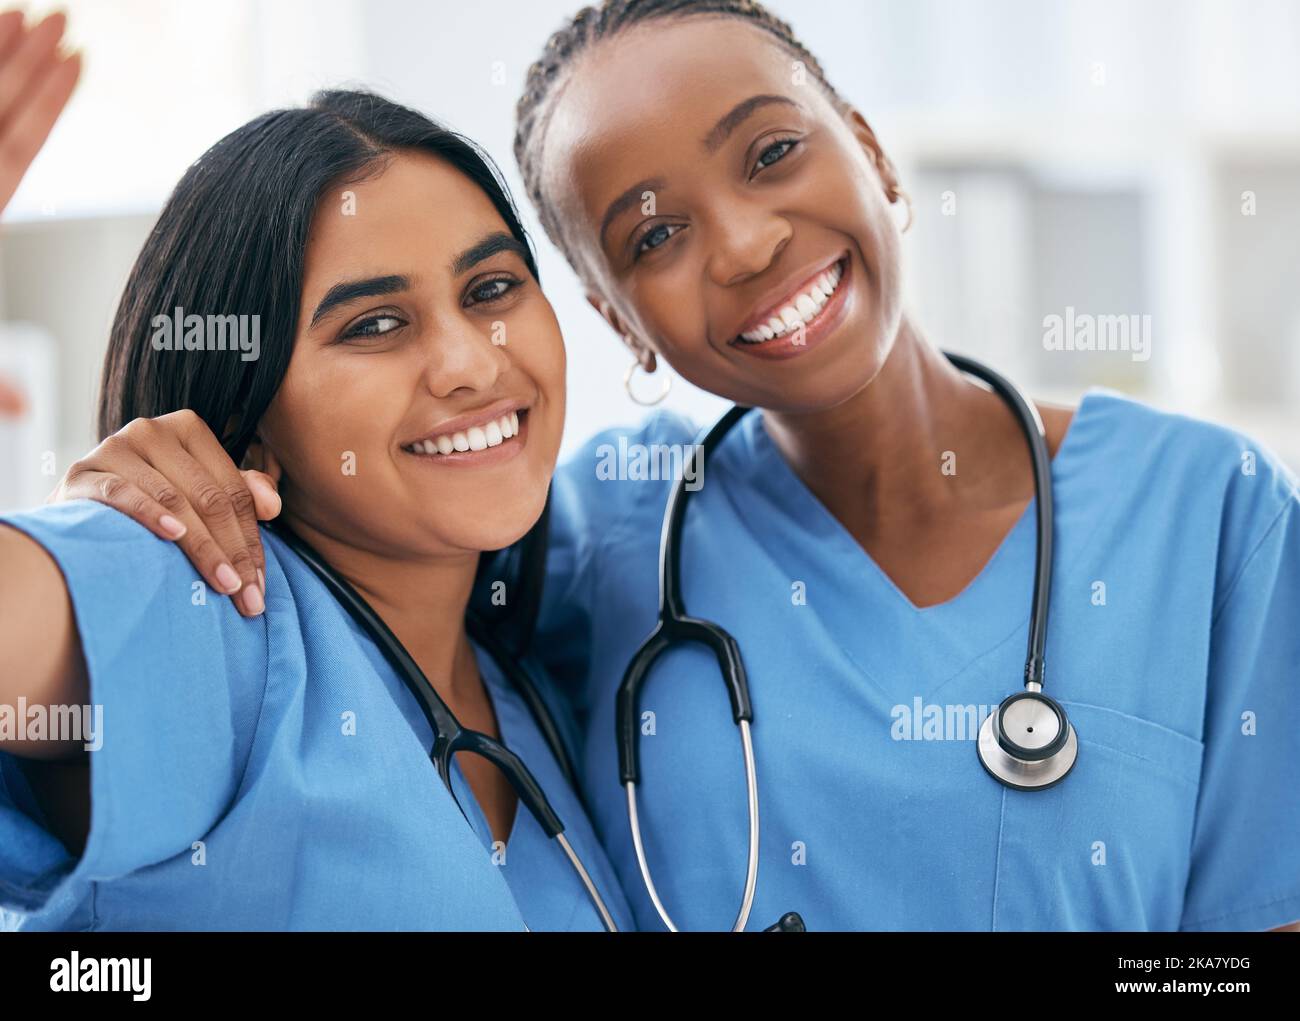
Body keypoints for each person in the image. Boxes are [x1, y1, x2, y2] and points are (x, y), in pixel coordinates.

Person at [53, 1, 1300, 932]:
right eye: (653, 232)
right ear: (612, 319)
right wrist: (135, 505)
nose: (749, 242)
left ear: (868, 147)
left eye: (770, 154)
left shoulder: (1209, 514)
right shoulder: (593, 533)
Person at [0, 81, 633, 931]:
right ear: (243, 423)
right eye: (374, 324)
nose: (470, 365)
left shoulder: (535, 676)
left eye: (488, 289)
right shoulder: (205, 606)